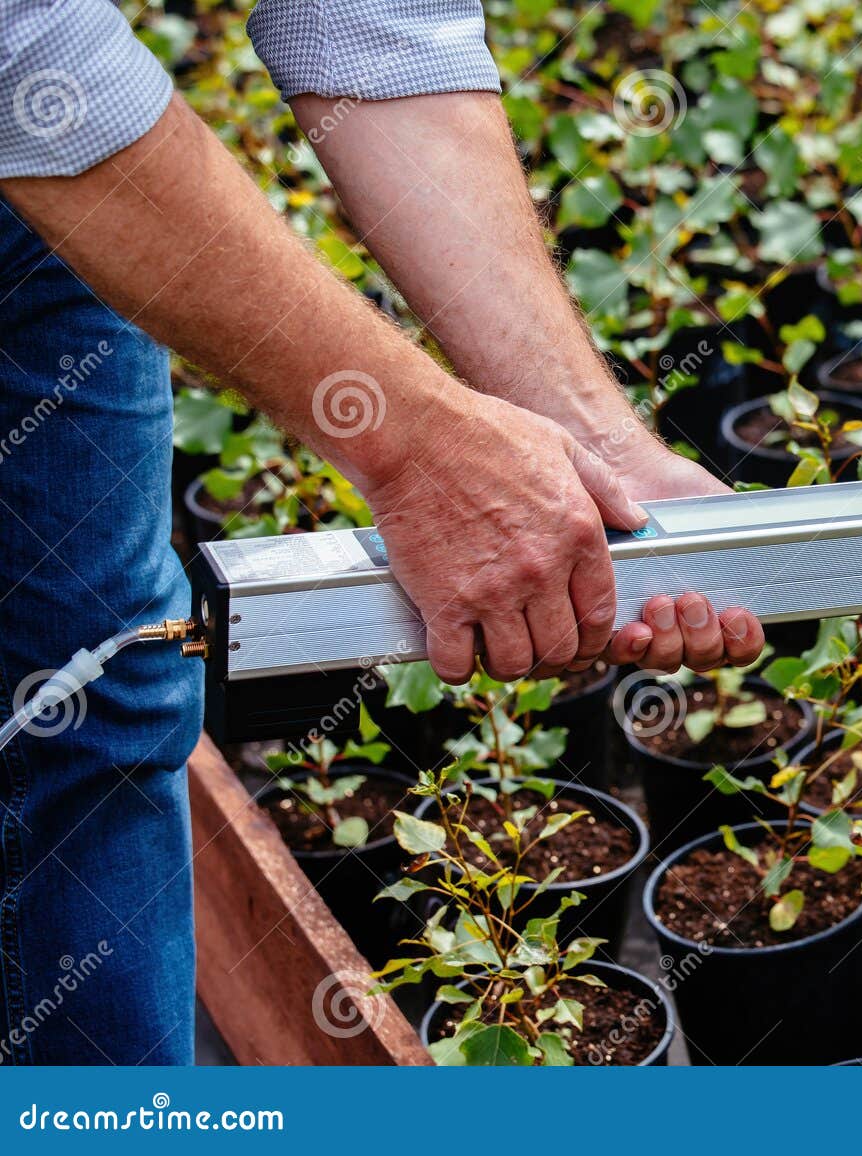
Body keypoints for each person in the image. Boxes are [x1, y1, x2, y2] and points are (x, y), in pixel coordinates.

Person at [0, 0, 763, 1064]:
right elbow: (29, 61)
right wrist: (420, 449)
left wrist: (600, 449)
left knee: (90, 703)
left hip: (33, 205)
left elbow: (374, 28)